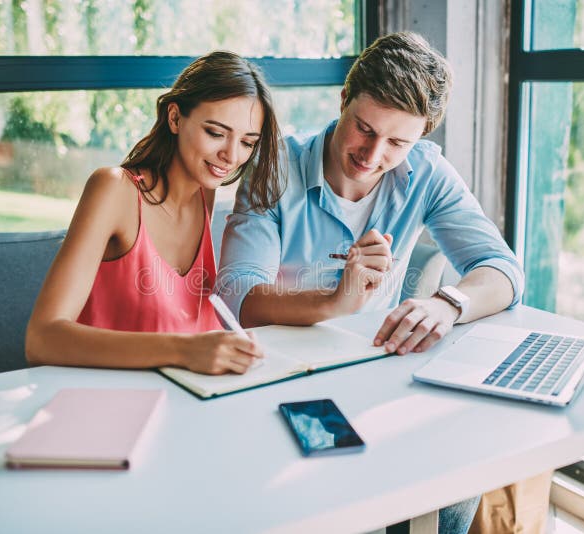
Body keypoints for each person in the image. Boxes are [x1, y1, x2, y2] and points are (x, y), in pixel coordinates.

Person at [217, 32, 524, 533]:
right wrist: (336, 300)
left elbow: (502, 270)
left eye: (398, 143)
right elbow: (239, 297)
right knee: (336, 499)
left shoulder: (427, 173)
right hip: (285, 383)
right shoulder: (274, 166)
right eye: (364, 128)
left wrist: (448, 303)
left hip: (377, 378)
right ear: (343, 100)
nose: (372, 154)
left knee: (457, 482)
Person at [26, 51, 283, 375]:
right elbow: (41, 339)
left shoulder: (204, 192)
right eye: (216, 133)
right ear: (174, 118)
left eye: (247, 142)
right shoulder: (114, 190)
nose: (231, 156)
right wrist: (183, 349)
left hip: (183, 400)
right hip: (105, 402)